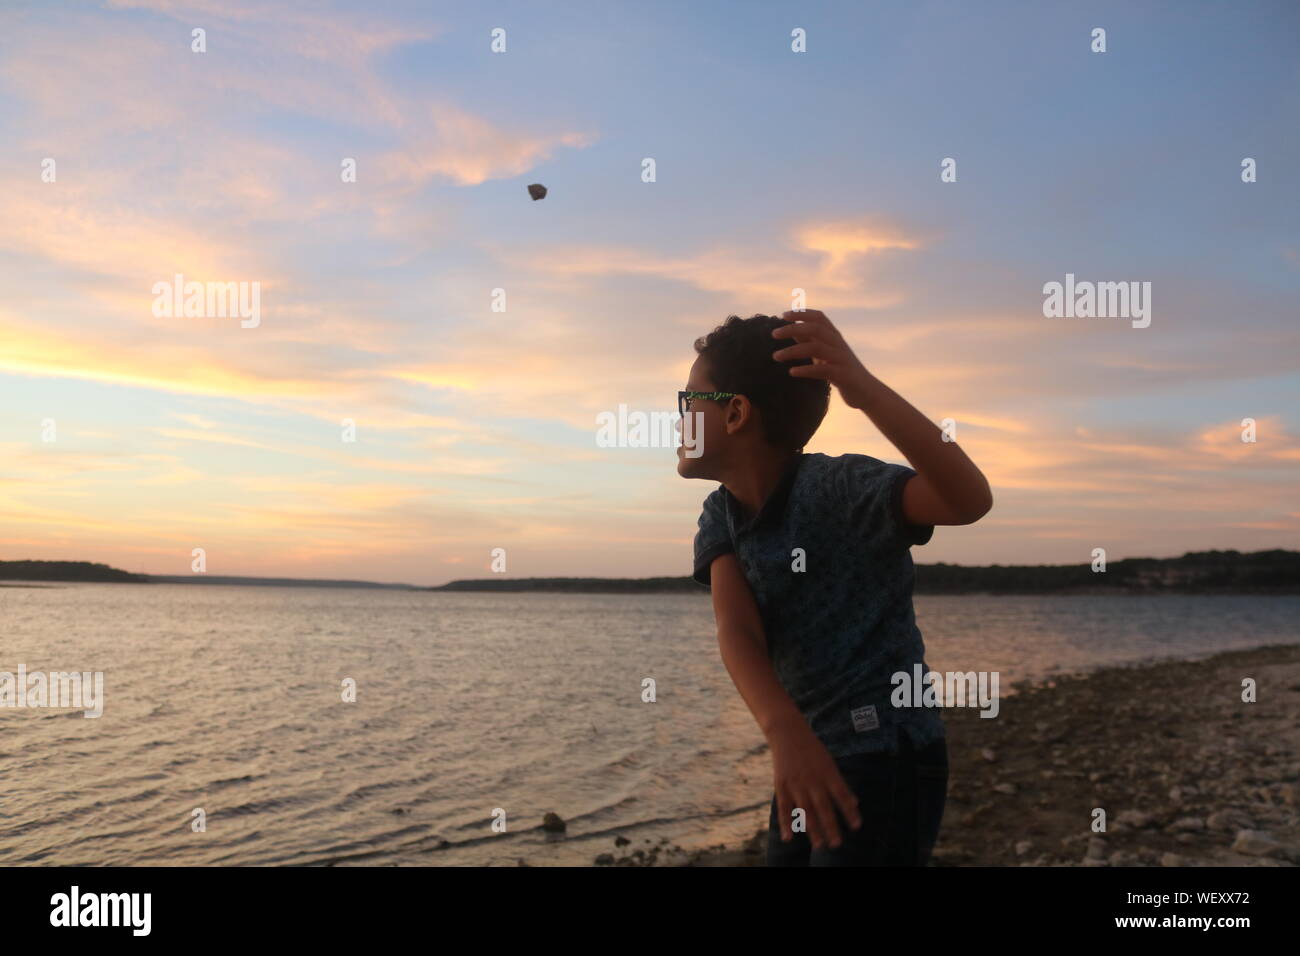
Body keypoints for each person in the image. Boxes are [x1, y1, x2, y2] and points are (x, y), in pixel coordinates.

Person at [677, 310, 993, 866]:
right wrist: (785, 735)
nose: (677, 419)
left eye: (688, 401)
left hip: (888, 753)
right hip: (801, 750)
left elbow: (967, 500)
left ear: (734, 413)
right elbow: (738, 631)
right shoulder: (720, 514)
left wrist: (862, 388)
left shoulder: (838, 488)